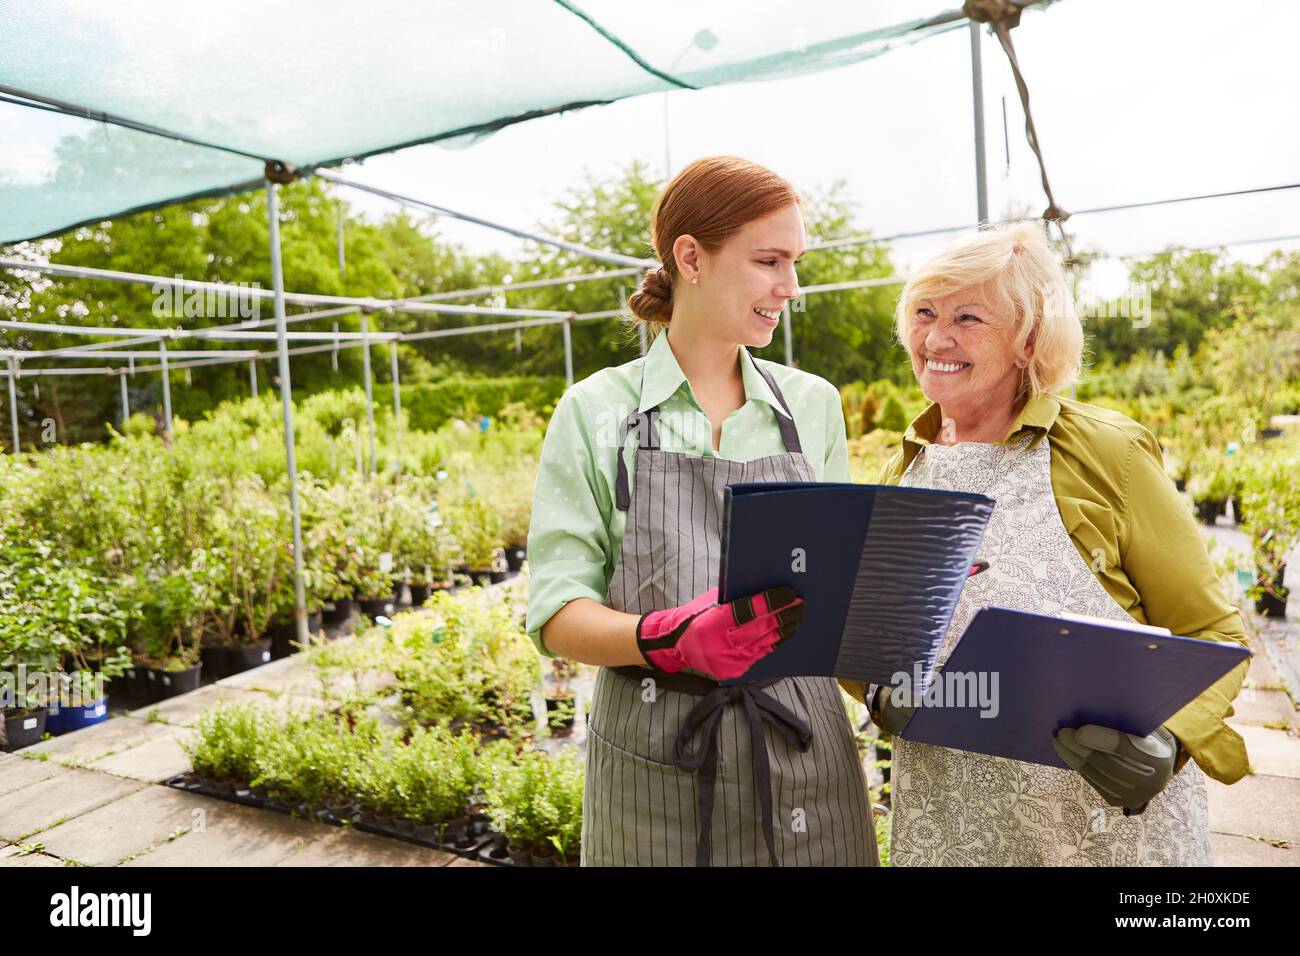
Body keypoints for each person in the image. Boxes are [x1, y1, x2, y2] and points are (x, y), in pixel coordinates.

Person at [851, 223, 1250, 866]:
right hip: (954, 830)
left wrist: (1171, 742)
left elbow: (1215, 632)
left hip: (1103, 835)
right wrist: (877, 689)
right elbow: (874, 643)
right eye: (923, 312)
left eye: (968, 316)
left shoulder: (1105, 452)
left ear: (1029, 338)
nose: (936, 337)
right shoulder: (909, 468)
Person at [526, 156, 877, 867]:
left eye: (795, 262)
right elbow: (558, 611)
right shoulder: (598, 412)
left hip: (805, 749)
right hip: (658, 761)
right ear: (691, 257)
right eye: (769, 261)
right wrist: (671, 640)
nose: (791, 287)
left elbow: (836, 591)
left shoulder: (811, 406)